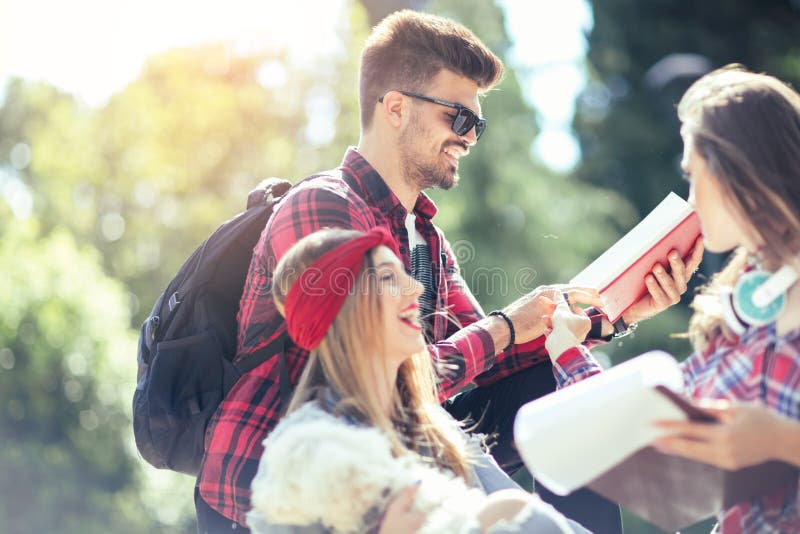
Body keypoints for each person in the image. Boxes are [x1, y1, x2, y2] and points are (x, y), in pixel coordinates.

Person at [195, 10, 696, 532]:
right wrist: (504, 326)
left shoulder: (424, 236)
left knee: (559, 383)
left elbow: (486, 359)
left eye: (477, 124)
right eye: (459, 119)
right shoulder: (324, 207)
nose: (470, 138)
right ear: (394, 108)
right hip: (281, 493)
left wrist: (610, 314)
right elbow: (372, 377)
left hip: (388, 459)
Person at [544, 65, 800, 533]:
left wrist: (784, 442)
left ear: (736, 172)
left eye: (693, 174)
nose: (692, 198)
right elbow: (659, 421)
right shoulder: (749, 289)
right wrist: (570, 352)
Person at [247, 227, 590, 533]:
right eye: (387, 278)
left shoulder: (434, 428)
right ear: (341, 311)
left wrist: (567, 350)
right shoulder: (309, 452)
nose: (414, 289)